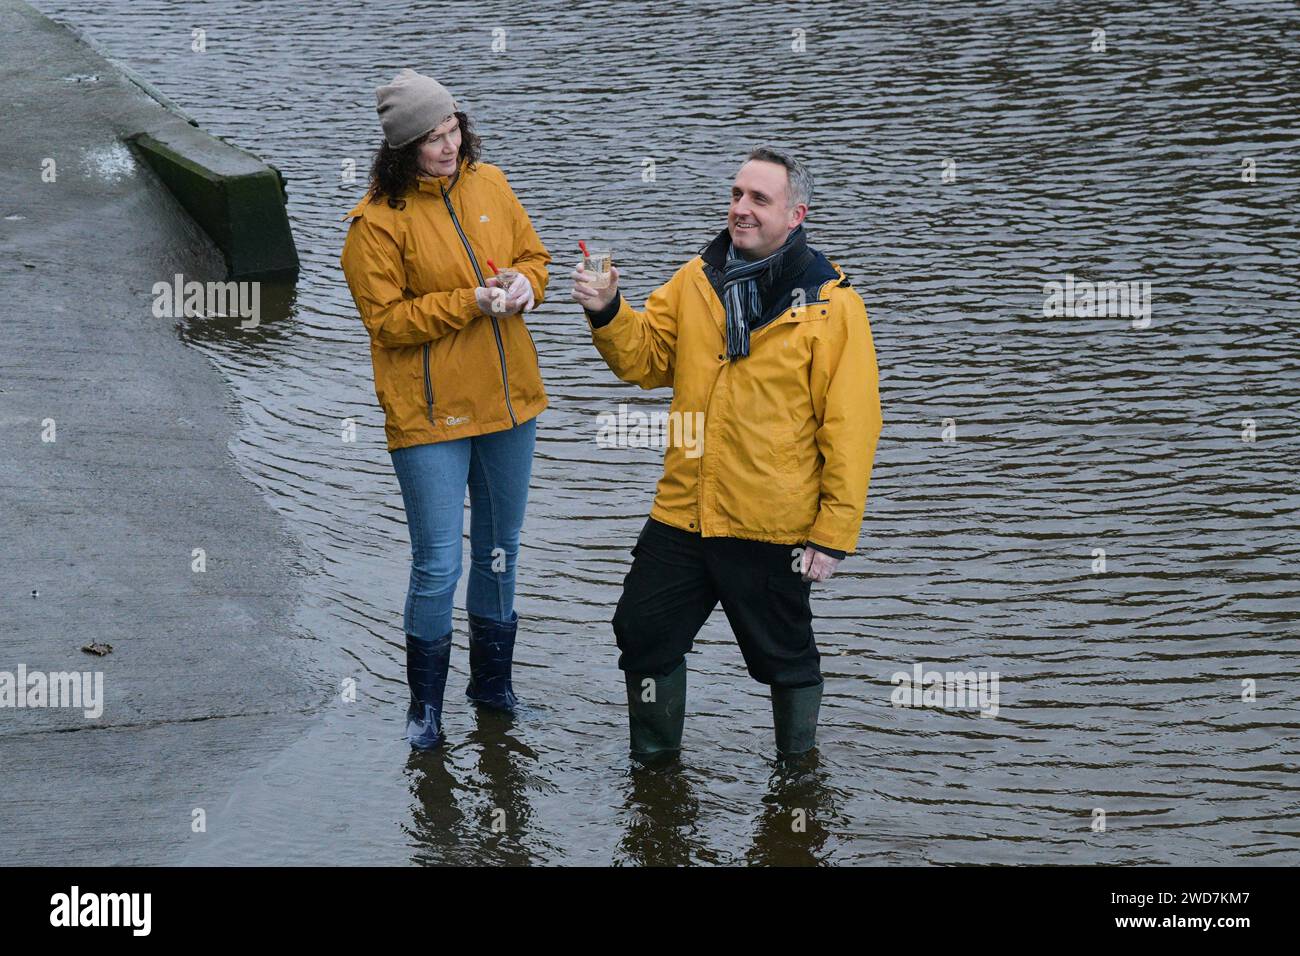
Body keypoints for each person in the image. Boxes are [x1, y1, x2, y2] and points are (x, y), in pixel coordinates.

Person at [572, 146, 882, 761]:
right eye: (737, 195)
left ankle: (798, 778)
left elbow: (851, 426)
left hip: (770, 519)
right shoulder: (697, 279)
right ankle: (655, 769)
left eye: (758, 199)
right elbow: (648, 360)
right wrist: (608, 310)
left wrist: (833, 531)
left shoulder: (830, 303)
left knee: (785, 658)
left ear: (796, 215)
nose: (741, 209)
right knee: (641, 631)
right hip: (684, 507)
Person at [340, 68, 550, 750]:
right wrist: (470, 302)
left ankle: (492, 689)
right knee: (437, 563)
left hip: (510, 403)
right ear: (401, 150)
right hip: (428, 417)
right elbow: (387, 322)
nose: (447, 146)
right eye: (431, 138)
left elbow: (535, 258)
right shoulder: (373, 225)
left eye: (453, 128)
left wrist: (525, 287)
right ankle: (424, 710)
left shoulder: (490, 183)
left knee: (498, 553)